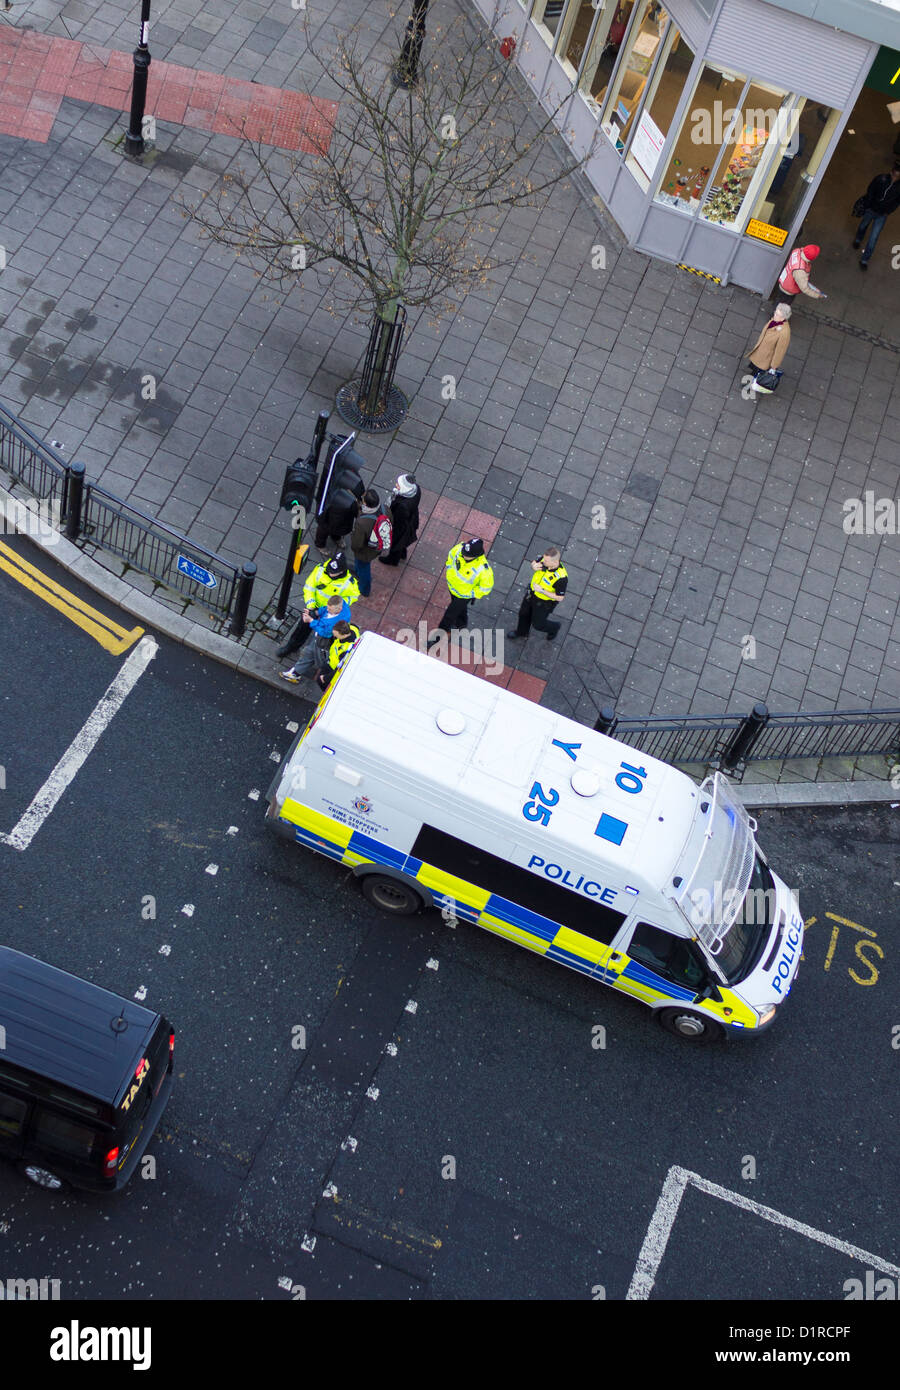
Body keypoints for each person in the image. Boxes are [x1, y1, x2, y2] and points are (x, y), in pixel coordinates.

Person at [276, 551, 360, 660]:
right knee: (301, 629)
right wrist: (311, 604)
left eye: (334, 572)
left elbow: (353, 596)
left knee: (325, 634)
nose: (330, 573)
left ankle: (319, 655)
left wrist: (338, 605)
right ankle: (291, 647)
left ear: (341, 571)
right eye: (330, 570)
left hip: (331, 612)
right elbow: (309, 586)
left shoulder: (349, 583)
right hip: (314, 607)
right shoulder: (320, 569)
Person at [427, 538, 494, 644]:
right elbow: (451, 556)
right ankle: (461, 623)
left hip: (463, 595)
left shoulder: (484, 570)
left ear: (476, 556)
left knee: (449, 616)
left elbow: (486, 588)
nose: (464, 556)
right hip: (452, 588)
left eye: (467, 555)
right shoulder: (459, 549)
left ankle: (437, 638)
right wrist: (449, 567)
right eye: (464, 553)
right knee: (460, 609)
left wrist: (471, 594)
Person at [280, 595, 350, 684]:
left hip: (324, 641)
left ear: (339, 610)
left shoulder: (336, 622)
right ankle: (295, 673)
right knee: (309, 652)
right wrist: (315, 612)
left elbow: (325, 632)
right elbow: (325, 609)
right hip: (320, 638)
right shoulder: (339, 604)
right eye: (328, 608)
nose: (328, 610)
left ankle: (297, 673)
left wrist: (311, 621)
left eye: (330, 610)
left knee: (316, 656)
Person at [507, 547, 568, 642]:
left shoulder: (561, 578)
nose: (543, 562)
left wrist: (542, 590)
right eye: (544, 558)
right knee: (523, 614)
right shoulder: (545, 559)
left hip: (544, 602)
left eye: (546, 561)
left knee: (538, 625)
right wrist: (533, 566)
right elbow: (534, 562)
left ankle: (555, 627)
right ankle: (522, 632)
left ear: (555, 562)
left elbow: (560, 598)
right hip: (531, 593)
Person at [854, 163, 900, 269]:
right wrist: (869, 205)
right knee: (863, 226)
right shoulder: (881, 179)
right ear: (891, 172)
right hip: (871, 210)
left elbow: (897, 202)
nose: (895, 178)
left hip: (882, 215)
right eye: (894, 175)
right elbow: (870, 190)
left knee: (873, 238)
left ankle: (864, 260)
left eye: (898, 177)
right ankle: (858, 239)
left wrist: (888, 211)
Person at [350, 489, 390, 598]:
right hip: (378, 546)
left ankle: (364, 589)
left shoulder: (362, 523)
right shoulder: (385, 509)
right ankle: (358, 571)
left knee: (363, 567)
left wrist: (354, 547)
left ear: (366, 503)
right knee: (362, 566)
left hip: (366, 552)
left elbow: (357, 544)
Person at [746, 303, 791, 394]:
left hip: (766, 358)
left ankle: (749, 386)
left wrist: (774, 366)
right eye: (775, 312)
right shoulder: (775, 321)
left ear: (783, 318)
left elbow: (780, 352)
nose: (775, 315)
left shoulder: (784, 333)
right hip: (761, 352)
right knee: (755, 368)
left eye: (777, 314)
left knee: (757, 373)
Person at [378, 473, 421, 566]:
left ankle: (393, 560)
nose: (396, 485)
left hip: (402, 526)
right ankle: (402, 554)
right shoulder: (416, 489)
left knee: (396, 543)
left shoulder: (402, 507)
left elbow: (398, 525)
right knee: (402, 542)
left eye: (398, 484)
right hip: (411, 520)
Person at [314, 619, 361, 691]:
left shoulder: (346, 650)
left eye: (336, 635)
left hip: (332, 667)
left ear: (344, 635)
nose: (334, 636)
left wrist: (325, 678)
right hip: (330, 660)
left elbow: (341, 668)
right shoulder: (352, 628)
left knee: (321, 682)